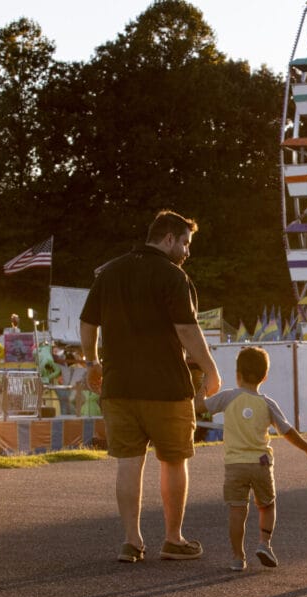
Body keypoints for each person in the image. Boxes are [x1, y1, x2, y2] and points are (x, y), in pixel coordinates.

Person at [79, 209, 222, 563]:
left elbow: (87, 322)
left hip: (119, 386)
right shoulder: (173, 277)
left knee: (129, 462)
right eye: (185, 243)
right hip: (166, 387)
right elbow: (187, 330)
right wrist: (211, 370)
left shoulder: (110, 272)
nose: (187, 252)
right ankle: (173, 539)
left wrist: (92, 361)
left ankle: (132, 541)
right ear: (169, 238)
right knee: (173, 460)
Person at [196, 346, 307, 571]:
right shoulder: (267, 403)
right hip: (262, 463)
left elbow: (198, 406)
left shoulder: (228, 397)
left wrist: (201, 387)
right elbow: (287, 431)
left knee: (237, 510)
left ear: (238, 374)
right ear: (264, 377)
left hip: (235, 465)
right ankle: (264, 543)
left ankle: (238, 557)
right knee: (267, 505)